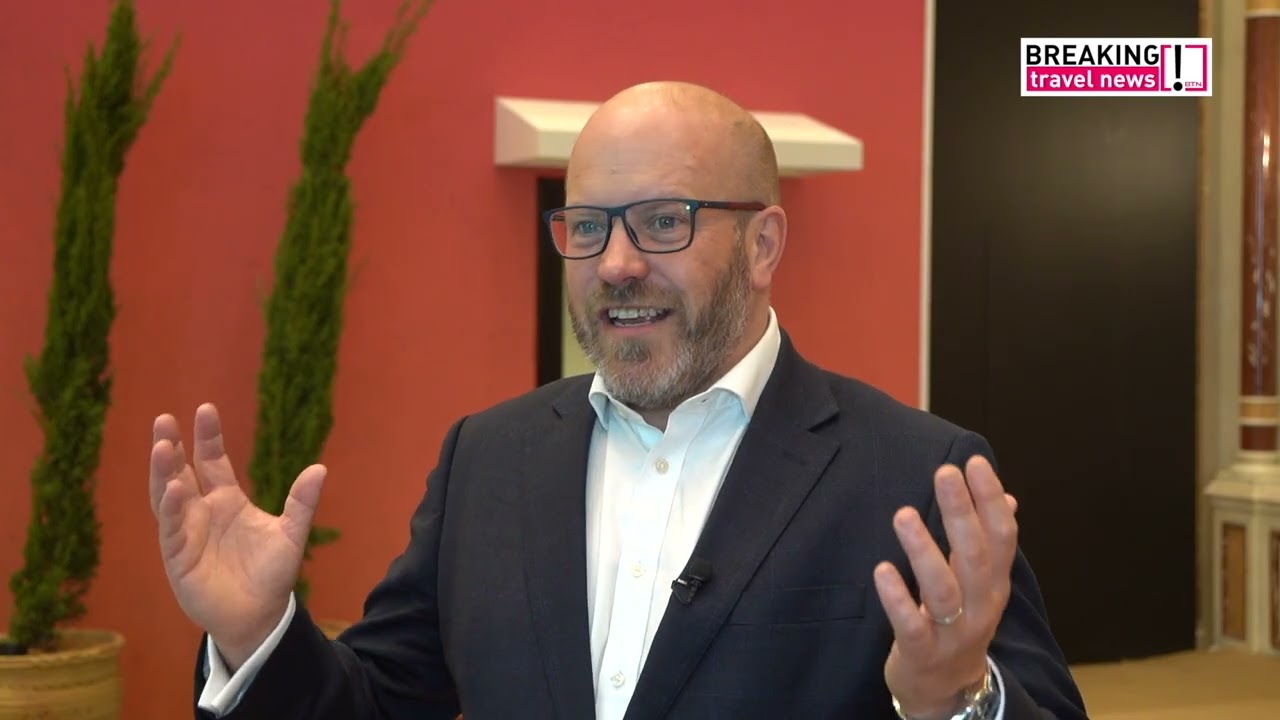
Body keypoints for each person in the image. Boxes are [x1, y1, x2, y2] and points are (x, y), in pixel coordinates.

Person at [151, 81, 1088, 720]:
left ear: (763, 245)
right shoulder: (488, 460)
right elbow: (383, 703)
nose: (618, 263)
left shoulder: (915, 473)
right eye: (588, 226)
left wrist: (958, 702)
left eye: (663, 221)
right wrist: (258, 635)